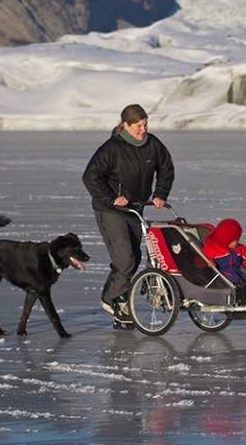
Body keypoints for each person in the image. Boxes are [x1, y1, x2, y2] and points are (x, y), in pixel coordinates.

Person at [83, 103, 174, 328]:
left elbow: (166, 168)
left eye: (145, 124)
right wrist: (112, 198)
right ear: (125, 125)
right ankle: (111, 298)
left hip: (135, 208)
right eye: (138, 126)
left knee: (132, 259)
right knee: (125, 259)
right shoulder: (111, 149)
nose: (142, 130)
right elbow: (90, 177)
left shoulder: (152, 144)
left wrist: (160, 194)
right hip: (110, 210)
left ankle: (121, 301)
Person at [202, 218, 246, 297]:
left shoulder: (238, 248)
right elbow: (203, 257)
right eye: (236, 240)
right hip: (222, 274)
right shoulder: (212, 248)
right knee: (237, 280)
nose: (238, 241)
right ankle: (245, 294)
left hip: (237, 272)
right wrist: (209, 262)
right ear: (227, 240)